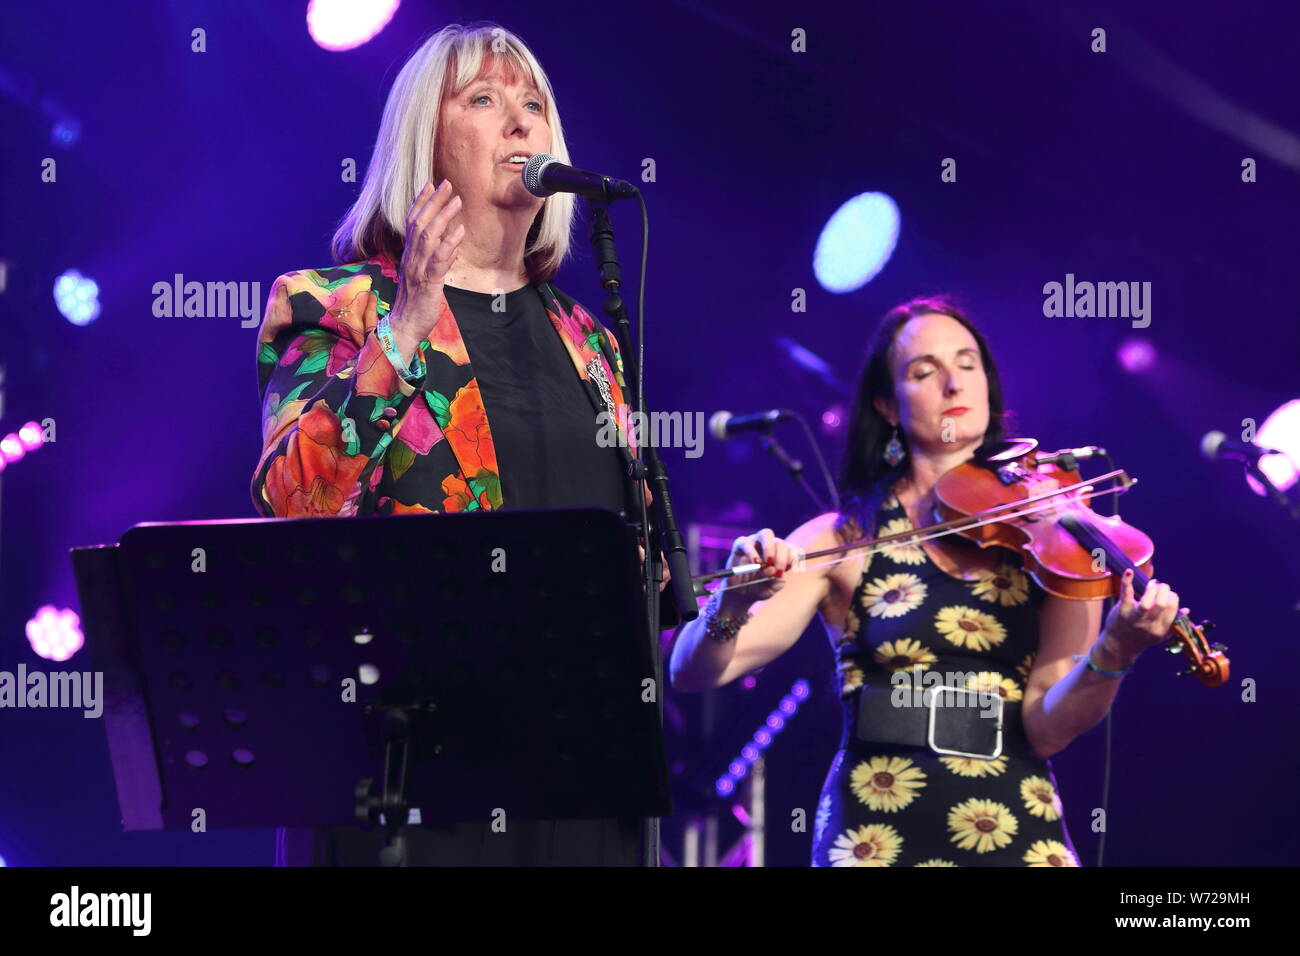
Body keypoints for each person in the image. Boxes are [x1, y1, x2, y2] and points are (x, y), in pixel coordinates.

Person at [251, 22, 667, 866]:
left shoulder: (592, 340)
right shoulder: (332, 306)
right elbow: (296, 500)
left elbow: (638, 571)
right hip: (414, 779)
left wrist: (722, 596)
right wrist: (404, 327)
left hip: (581, 778)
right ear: (426, 144)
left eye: (533, 103)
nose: (520, 121)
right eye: (483, 99)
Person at [669, 295, 1185, 867]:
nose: (954, 384)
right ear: (888, 406)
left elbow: (1046, 729)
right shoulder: (843, 537)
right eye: (924, 371)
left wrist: (1114, 650)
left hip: (1016, 827)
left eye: (968, 365)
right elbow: (694, 672)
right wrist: (732, 600)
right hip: (876, 833)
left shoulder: (1054, 537)